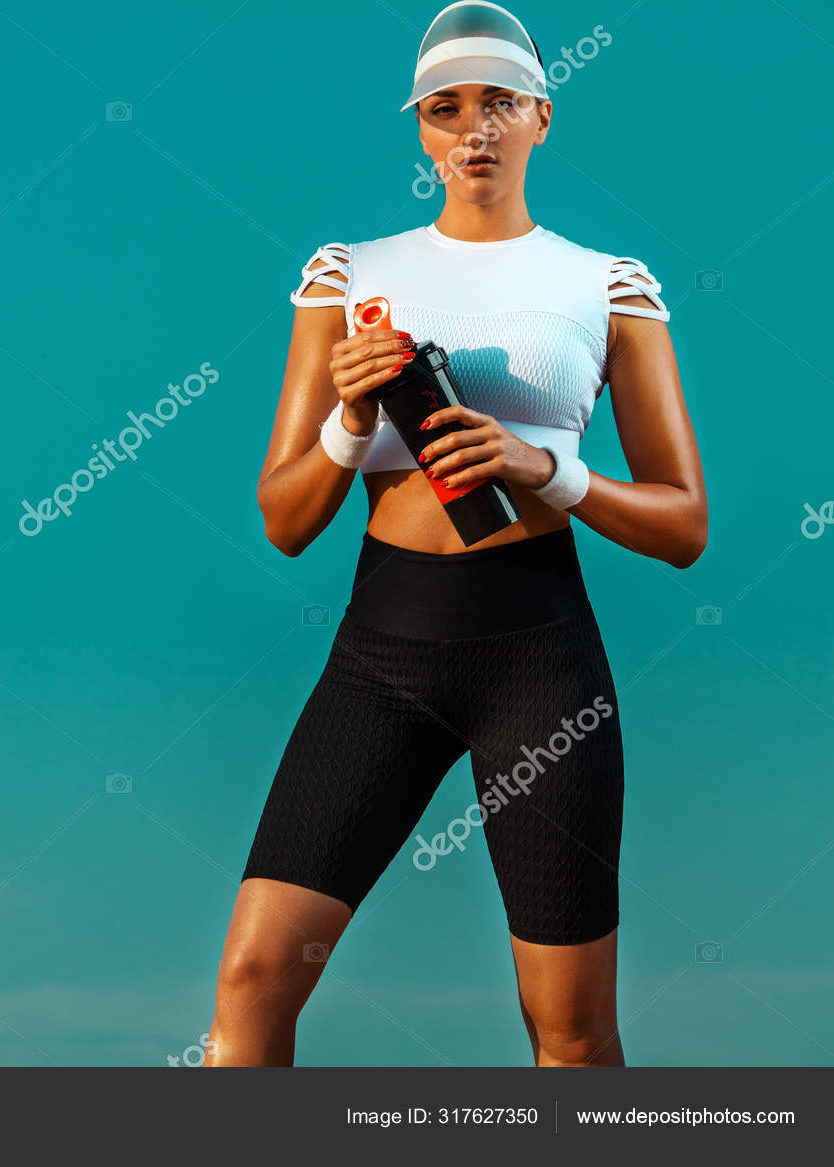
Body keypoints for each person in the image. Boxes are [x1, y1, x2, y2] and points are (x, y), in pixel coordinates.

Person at [205, 0, 706, 1067]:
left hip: (540, 665)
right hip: (379, 659)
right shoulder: (348, 276)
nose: (472, 127)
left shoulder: (604, 286)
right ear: (421, 130)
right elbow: (284, 522)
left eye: (498, 104)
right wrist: (348, 421)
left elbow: (683, 525)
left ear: (541, 117)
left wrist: (548, 471)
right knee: (252, 984)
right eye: (445, 108)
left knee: (568, 1036)